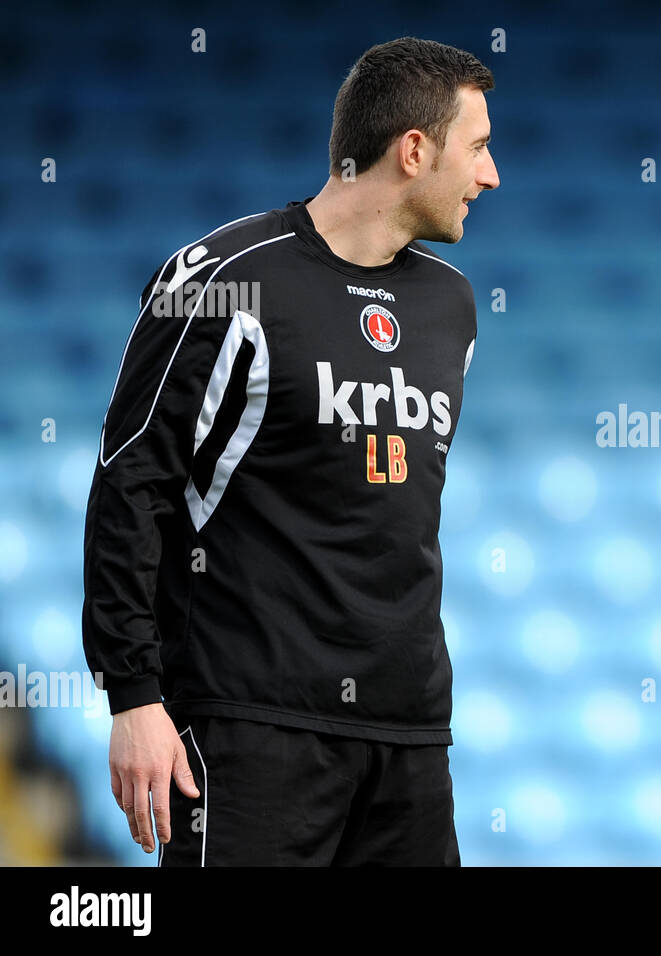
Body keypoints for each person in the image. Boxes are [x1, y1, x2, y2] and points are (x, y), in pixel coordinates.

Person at [81, 36, 499, 866]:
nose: (491, 175)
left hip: (408, 737)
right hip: (251, 729)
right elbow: (131, 481)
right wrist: (134, 696)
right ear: (413, 150)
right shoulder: (221, 280)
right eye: (479, 147)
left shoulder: (452, 306)